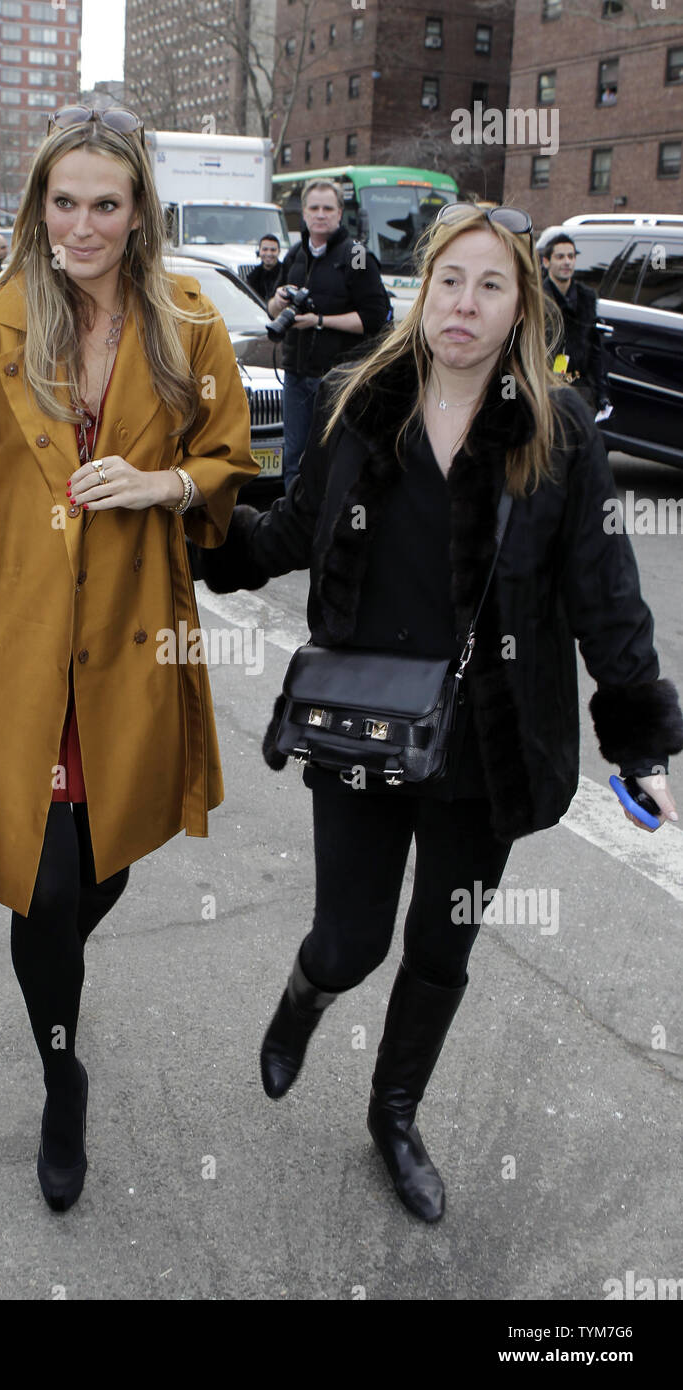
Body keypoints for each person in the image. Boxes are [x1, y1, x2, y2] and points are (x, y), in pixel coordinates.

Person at [201, 203, 682, 1223]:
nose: (464, 303)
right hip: (360, 724)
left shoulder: (557, 435)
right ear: (424, 293)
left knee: (439, 945)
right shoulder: (361, 403)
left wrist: (640, 743)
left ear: (521, 309)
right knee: (351, 941)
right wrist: (189, 529)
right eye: (449, 281)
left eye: (490, 286)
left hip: (485, 743)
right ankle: (305, 996)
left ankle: (394, 1113)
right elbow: (290, 529)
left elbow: (605, 590)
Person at [0, 104, 257, 1215]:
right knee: (46, 880)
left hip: (133, 629)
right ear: (39, 206)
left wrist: (164, 484)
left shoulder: (188, 321)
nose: (82, 226)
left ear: (138, 211)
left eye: (105, 204)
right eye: (63, 202)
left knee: (104, 863)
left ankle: (56, 978)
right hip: (21, 633)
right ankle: (63, 1079)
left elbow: (229, 459)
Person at [268, 180, 391, 493]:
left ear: (339, 213)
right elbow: (271, 310)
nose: (320, 214)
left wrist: (319, 321)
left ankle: (329, 521)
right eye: (314, 208)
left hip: (338, 379)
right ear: (303, 213)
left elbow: (375, 318)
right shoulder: (294, 254)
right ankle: (291, 519)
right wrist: (278, 301)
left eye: (327, 208)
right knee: (293, 459)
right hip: (295, 376)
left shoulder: (357, 256)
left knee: (333, 461)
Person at [540, 232, 610, 415]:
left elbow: (594, 349)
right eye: (560, 257)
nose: (567, 262)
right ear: (546, 262)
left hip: (580, 387)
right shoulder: (536, 299)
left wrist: (601, 393)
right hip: (546, 388)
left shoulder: (586, 297)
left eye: (571, 257)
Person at [246, 233, 282, 302]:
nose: (269, 254)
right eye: (265, 249)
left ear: (279, 252)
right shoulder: (253, 276)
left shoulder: (286, 274)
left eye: (273, 250)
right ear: (259, 251)